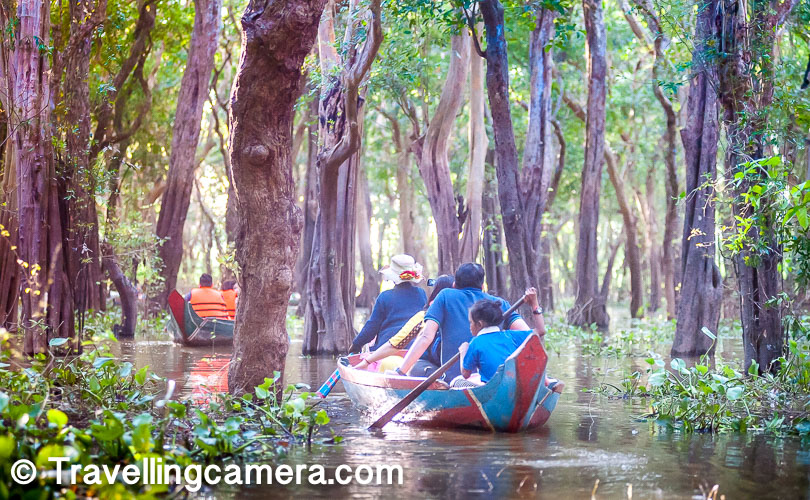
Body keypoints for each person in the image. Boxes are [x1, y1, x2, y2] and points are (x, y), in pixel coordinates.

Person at [394, 263, 532, 381]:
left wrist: (401, 371)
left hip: (454, 380)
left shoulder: (445, 295)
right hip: (496, 379)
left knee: (417, 366)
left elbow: (426, 337)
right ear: (483, 286)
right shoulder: (499, 304)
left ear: (454, 284)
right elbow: (530, 338)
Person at [354, 275, 454, 374]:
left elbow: (373, 328)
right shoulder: (421, 293)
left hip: (400, 349)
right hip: (446, 365)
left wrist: (357, 346)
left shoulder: (424, 316)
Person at [458, 288, 545, 386]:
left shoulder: (475, 343)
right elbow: (541, 330)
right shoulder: (510, 335)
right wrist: (534, 303)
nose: (469, 327)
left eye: (471, 322)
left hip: (493, 390)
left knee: (457, 381)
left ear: (479, 324)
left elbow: (465, 374)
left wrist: (463, 352)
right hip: (515, 385)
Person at [348, 255, 427, 354]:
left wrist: (356, 344)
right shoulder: (421, 294)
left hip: (386, 349)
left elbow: (372, 327)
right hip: (414, 348)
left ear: (393, 277)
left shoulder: (384, 297)